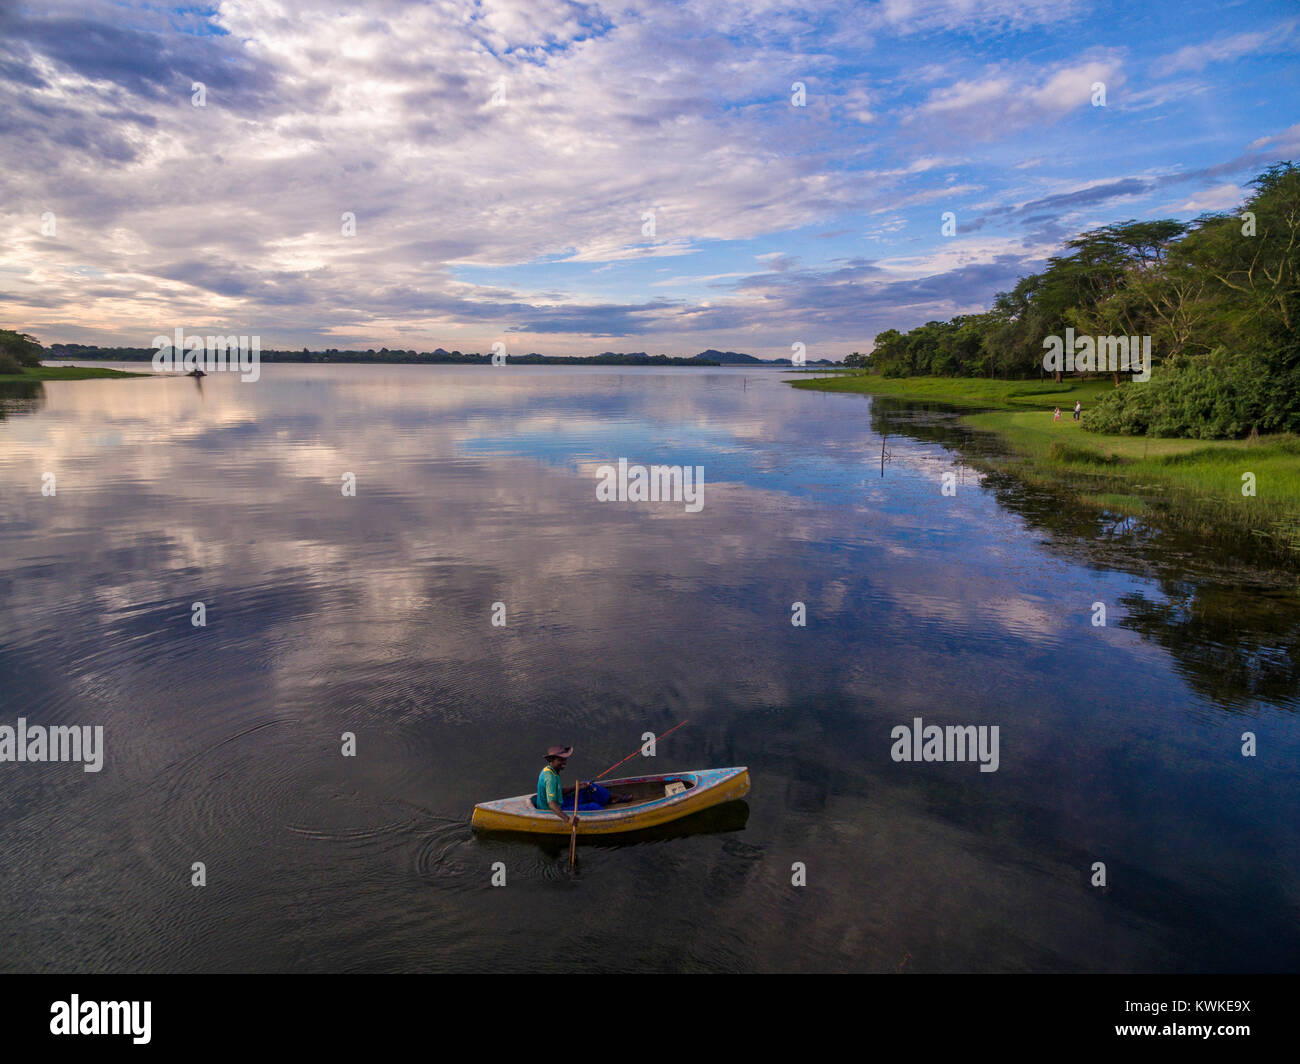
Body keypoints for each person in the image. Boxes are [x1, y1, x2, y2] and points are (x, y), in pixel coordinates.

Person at [537, 745, 611, 824]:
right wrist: (568, 819)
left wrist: (577, 787)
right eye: (560, 760)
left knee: (589, 787)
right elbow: (552, 804)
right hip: (553, 809)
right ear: (551, 760)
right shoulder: (550, 778)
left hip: (560, 801)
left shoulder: (550, 770)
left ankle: (615, 798)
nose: (564, 762)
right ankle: (610, 817)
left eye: (565, 759)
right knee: (594, 807)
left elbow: (557, 791)